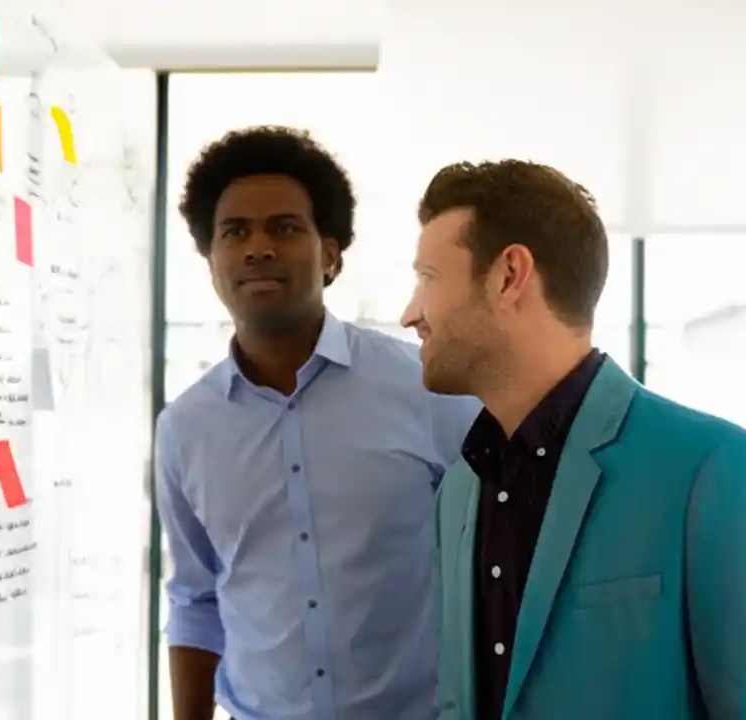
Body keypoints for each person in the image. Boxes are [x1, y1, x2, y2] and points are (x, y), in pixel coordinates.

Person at [401, 159, 746, 719]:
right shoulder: (460, 490)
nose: (409, 313)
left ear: (510, 275)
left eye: (427, 279)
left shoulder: (710, 466)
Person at [156, 125, 481, 720]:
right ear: (211, 261)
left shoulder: (427, 388)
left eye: (284, 227)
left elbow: (498, 561)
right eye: (235, 232)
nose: (257, 248)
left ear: (330, 255)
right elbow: (195, 599)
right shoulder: (184, 428)